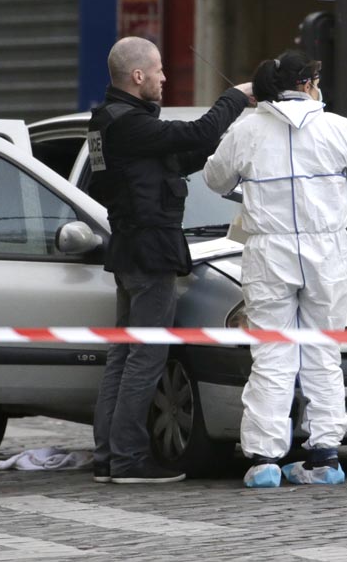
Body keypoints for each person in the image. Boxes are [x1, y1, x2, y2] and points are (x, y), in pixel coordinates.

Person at [203, 50, 347, 488]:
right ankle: (325, 455)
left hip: (269, 253)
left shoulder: (247, 131)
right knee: (323, 352)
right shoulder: (334, 127)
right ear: (306, 85)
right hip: (326, 252)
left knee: (271, 354)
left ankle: (265, 461)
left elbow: (214, 179)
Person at [88, 36, 252, 485]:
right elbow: (194, 134)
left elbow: (175, 159)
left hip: (131, 253)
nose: (164, 78)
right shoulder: (128, 124)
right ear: (137, 75)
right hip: (149, 256)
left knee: (124, 356)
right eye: (159, 70)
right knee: (146, 358)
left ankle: (107, 457)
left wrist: (223, 143)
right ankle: (128, 460)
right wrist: (235, 98)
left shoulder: (110, 121)